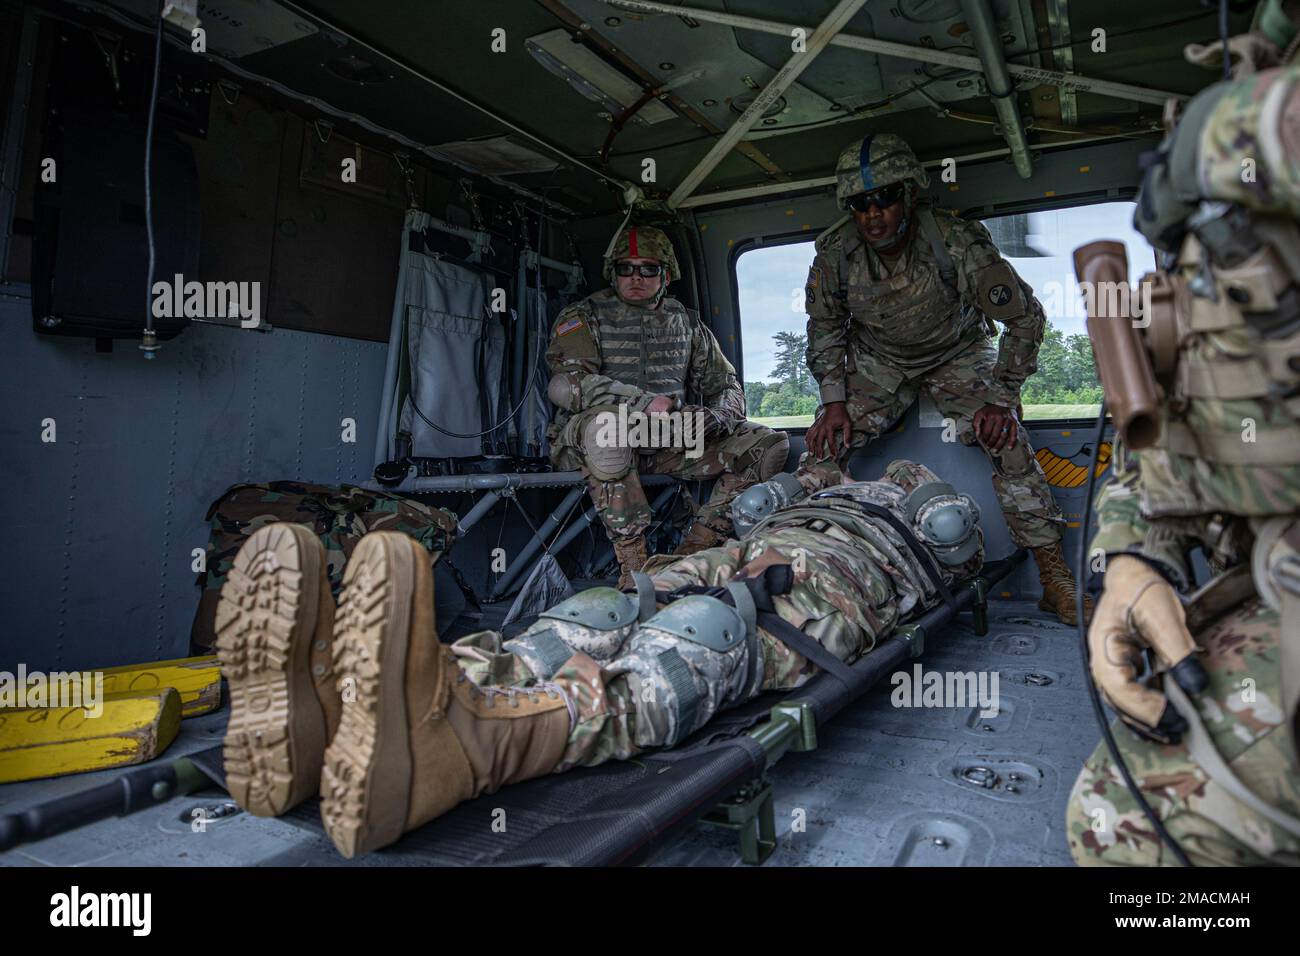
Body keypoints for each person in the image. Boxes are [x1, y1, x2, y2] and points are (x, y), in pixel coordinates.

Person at [215, 456, 984, 857]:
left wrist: (900, 498)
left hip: (843, 577)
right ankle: (375, 706)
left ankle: (471, 745)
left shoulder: (909, 498)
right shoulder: (816, 477)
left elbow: (955, 539)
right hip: (748, 546)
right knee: (601, 609)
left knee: (697, 637)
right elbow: (755, 504)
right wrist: (804, 481)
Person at [1066, 0, 1300, 866]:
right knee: (1117, 816)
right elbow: (1180, 441)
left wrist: (1219, 136)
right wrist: (1136, 554)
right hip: (1271, 557)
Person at [802, 133, 1090, 625]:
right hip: (879, 359)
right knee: (825, 445)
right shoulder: (836, 255)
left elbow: (1026, 318)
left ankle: (1054, 578)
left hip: (957, 350)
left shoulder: (955, 241)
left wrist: (1001, 398)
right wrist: (833, 401)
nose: (873, 214)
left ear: (910, 195)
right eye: (859, 203)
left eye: (885, 198)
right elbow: (825, 329)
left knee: (1009, 440)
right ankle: (810, 564)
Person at [544, 224, 788, 588]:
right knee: (607, 428)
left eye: (648, 268)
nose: (636, 277)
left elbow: (727, 385)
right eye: (626, 268)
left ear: (667, 274)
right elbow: (567, 385)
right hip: (589, 442)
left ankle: (691, 554)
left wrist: (717, 417)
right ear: (613, 273)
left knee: (768, 445)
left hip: (664, 440)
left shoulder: (686, 324)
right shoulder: (584, 317)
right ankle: (635, 570)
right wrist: (641, 402)